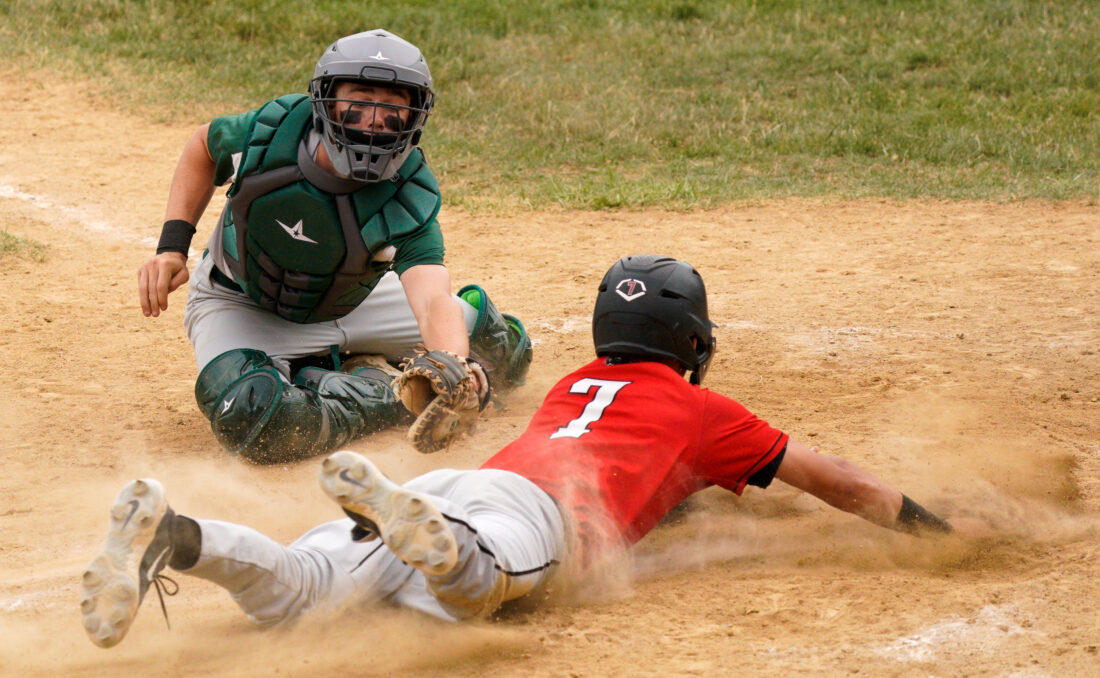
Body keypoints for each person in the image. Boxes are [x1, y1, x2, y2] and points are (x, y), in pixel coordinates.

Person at [82, 255, 954, 648]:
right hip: (529, 519)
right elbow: (841, 484)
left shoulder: (578, 382)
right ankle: (439, 542)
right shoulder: (701, 411)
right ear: (690, 342)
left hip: (463, 484)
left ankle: (180, 535)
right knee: (481, 588)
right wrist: (937, 531)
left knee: (299, 592)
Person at [136, 29, 532, 464]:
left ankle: (339, 378)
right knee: (253, 417)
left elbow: (432, 298)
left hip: (355, 304)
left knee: (501, 352)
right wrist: (172, 246)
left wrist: (454, 367)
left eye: (393, 104)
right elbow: (204, 146)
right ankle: (383, 392)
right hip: (242, 303)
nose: (376, 117)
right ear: (326, 102)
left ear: (415, 114)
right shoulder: (273, 133)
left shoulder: (408, 193)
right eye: (361, 99)